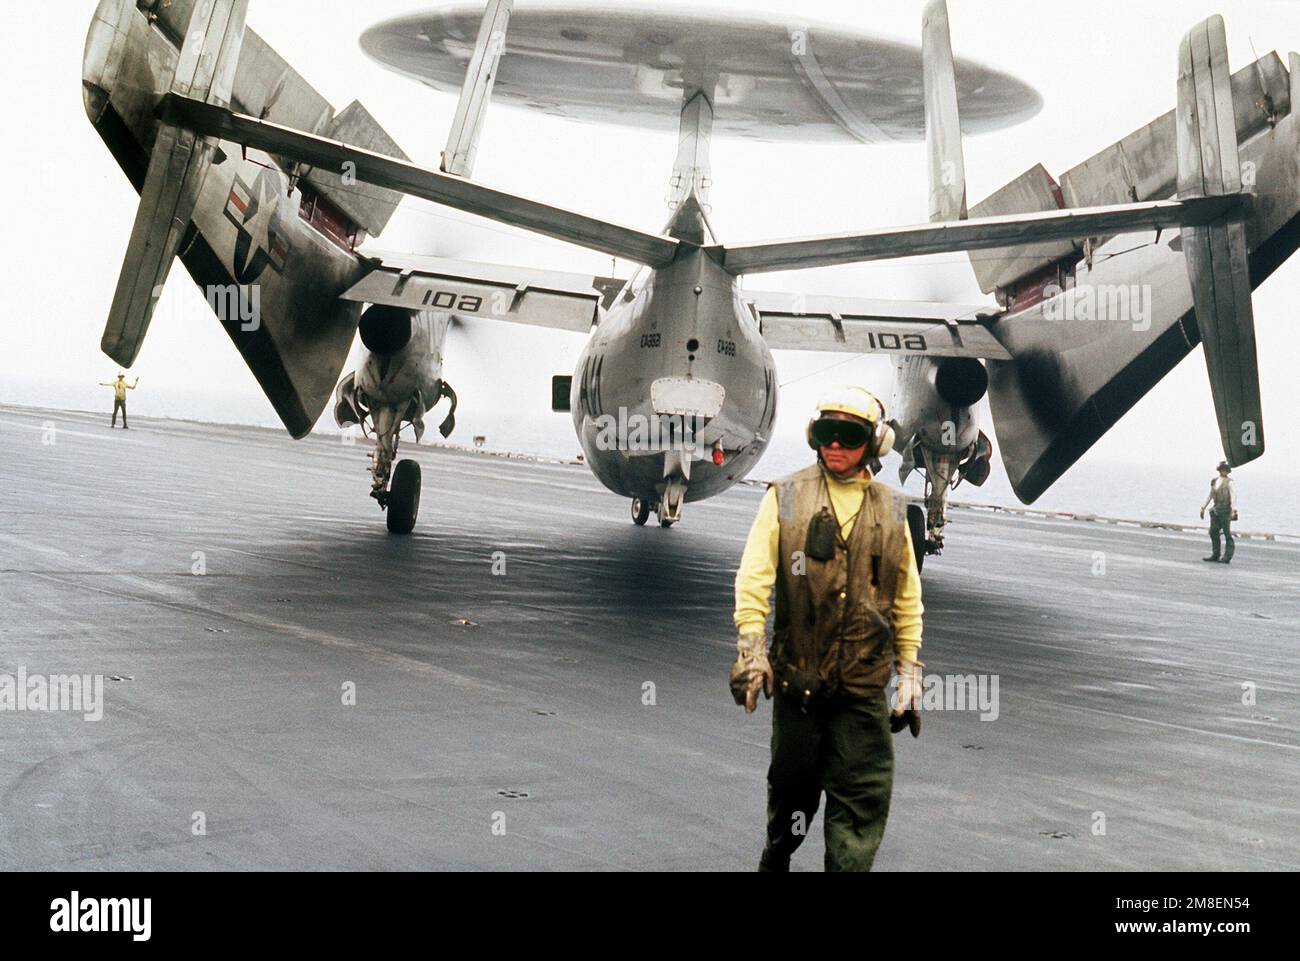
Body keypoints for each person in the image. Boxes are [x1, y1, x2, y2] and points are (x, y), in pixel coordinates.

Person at [730, 385, 924, 872]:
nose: (834, 445)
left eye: (848, 435)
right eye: (825, 433)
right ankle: (777, 855)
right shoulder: (787, 497)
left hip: (862, 694)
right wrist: (751, 648)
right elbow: (754, 576)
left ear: (874, 443)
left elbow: (906, 597)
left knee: (859, 809)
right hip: (800, 688)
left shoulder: (895, 510)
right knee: (792, 802)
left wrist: (911, 671)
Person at [1200, 461, 1238, 564]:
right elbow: (1210, 495)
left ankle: (1227, 556)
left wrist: (1234, 510)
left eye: (1225, 470)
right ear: (1219, 470)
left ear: (1228, 471)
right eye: (1222, 469)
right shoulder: (1214, 481)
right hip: (1216, 511)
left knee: (1227, 533)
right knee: (1213, 531)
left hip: (1226, 511)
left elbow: (1233, 496)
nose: (1224, 471)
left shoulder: (1230, 482)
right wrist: (1203, 507)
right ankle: (1215, 554)